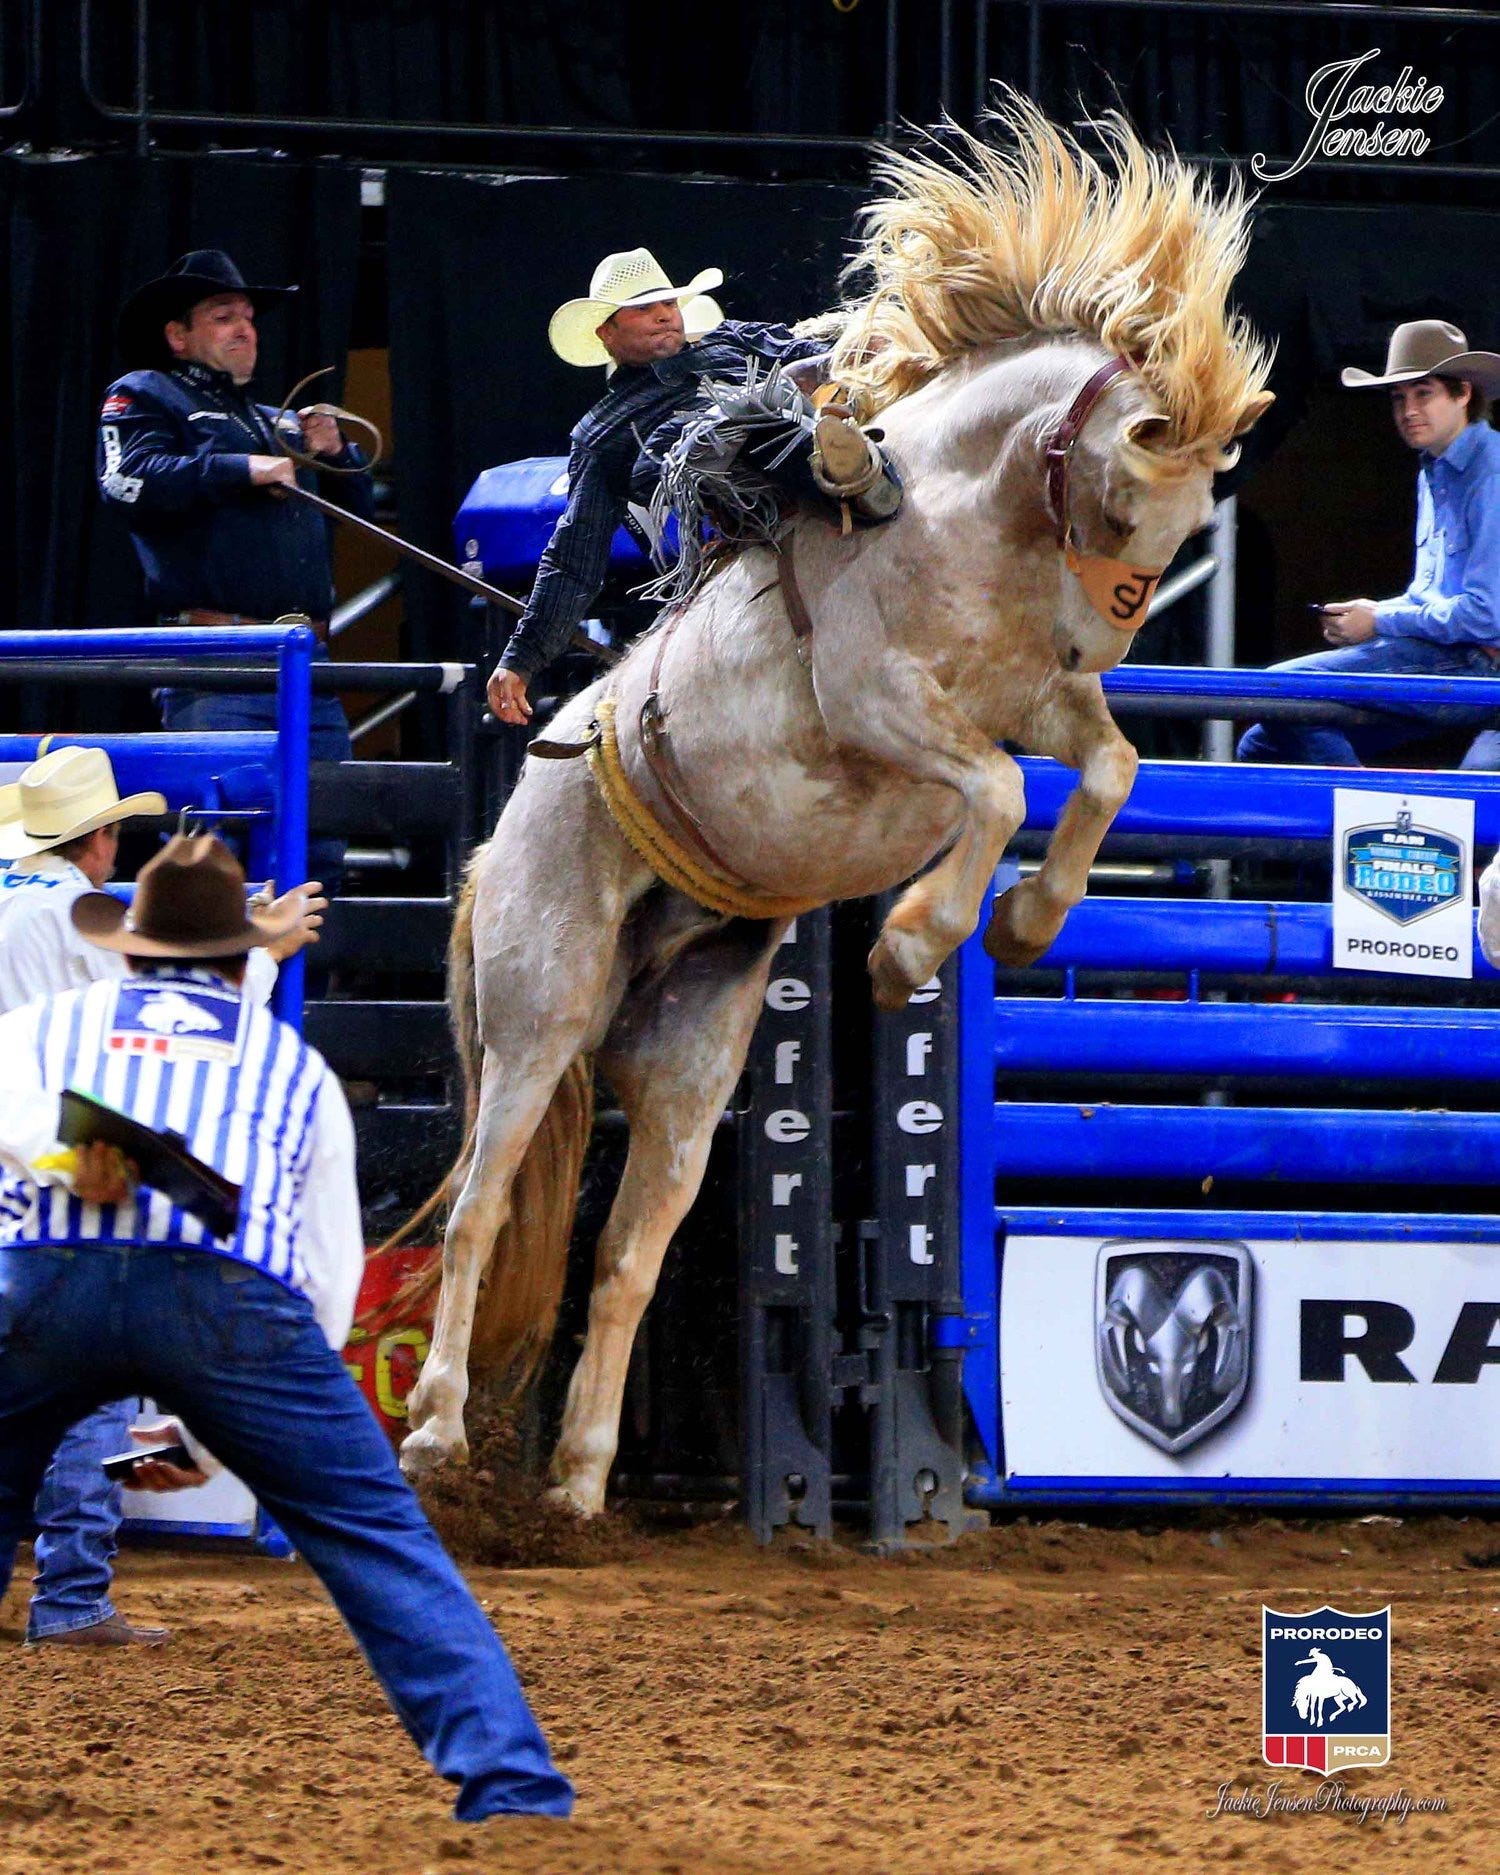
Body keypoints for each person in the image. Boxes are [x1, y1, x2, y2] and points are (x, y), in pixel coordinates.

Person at [0, 834, 574, 1821]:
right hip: (235, 1306)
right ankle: (511, 1785)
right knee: (376, 1536)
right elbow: (329, 1270)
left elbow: (15, 1123)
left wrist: (114, 1161)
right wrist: (266, 1400)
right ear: (240, 957)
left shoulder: (49, 1024)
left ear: (127, 949)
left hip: (46, 1279)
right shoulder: (292, 1067)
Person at [0, 745, 324, 1648]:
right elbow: (168, 1007)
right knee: (86, 1371)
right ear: (102, 839)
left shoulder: (10, 898)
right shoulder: (74, 912)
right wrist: (263, 950)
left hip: (12, 1137)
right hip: (65, 1153)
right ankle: (70, 1597)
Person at [489, 247, 902, 726]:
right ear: (607, 332)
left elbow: (810, 357)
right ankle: (847, 471)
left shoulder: (732, 341)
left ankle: (845, 460)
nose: (664, 314)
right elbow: (574, 558)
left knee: (783, 394)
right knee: (723, 431)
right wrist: (521, 658)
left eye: (669, 303)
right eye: (644, 308)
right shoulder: (600, 435)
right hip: (746, 516)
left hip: (803, 431)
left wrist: (861, 353)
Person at [98, 249, 373, 888]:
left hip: (305, 661)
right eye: (223, 316)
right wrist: (237, 469)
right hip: (218, 658)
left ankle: (306, 991)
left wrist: (338, 453)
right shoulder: (144, 394)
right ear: (179, 335)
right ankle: (200, 983)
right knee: (210, 852)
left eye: (248, 317)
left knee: (321, 846)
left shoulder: (276, 419)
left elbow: (355, 513)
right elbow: (124, 480)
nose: (244, 328)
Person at [1238, 320, 1500, 769]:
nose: (1408, 410)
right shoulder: (1433, 469)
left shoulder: (1491, 471)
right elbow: (1430, 596)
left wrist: (1378, 620)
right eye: (1399, 398)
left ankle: (1381, 825)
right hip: (1446, 656)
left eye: (1424, 393)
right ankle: (1365, 818)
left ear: (1463, 395)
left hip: (1478, 662)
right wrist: (1369, 613)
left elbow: (1484, 615)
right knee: (1263, 745)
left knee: (1283, 689)